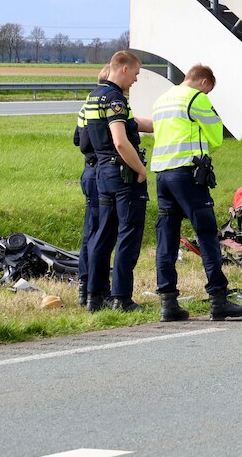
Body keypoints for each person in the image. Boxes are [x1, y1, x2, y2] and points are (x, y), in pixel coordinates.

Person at [150, 64, 242, 321]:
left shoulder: (162, 100)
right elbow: (216, 137)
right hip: (188, 175)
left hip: (163, 175)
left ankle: (168, 303)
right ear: (204, 82)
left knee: (167, 239)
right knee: (206, 234)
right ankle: (218, 300)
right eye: (210, 89)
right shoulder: (197, 98)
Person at [82, 51, 153, 311]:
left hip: (102, 173)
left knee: (103, 235)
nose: (135, 80)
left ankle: (95, 296)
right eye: (135, 74)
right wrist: (140, 170)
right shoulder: (115, 99)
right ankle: (122, 298)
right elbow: (121, 141)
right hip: (123, 174)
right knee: (128, 235)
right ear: (123, 69)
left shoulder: (93, 97)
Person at [71, 65, 110, 306]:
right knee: (101, 233)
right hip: (100, 171)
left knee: (90, 232)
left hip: (88, 170)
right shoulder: (106, 103)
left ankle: (84, 289)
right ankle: (96, 289)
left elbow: (77, 138)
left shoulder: (86, 105)